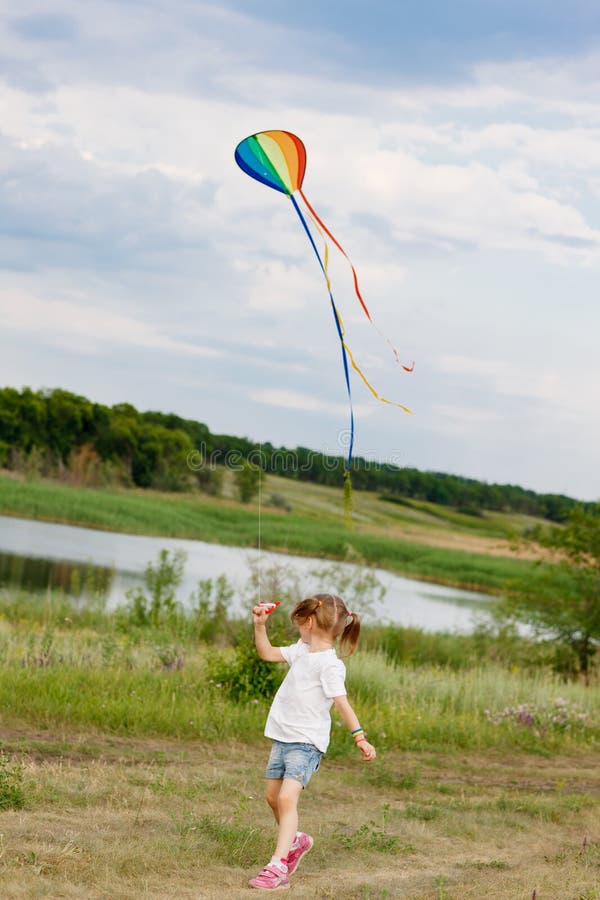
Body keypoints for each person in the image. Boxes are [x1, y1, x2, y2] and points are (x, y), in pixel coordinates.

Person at [248, 592, 377, 891]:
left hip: (306, 743)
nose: (297, 628)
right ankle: (295, 841)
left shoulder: (330, 665)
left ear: (308, 622)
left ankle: (277, 867)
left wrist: (360, 737)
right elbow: (266, 653)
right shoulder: (300, 651)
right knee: (272, 798)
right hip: (282, 736)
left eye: (297, 622)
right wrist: (259, 625)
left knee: (286, 799)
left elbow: (342, 704)